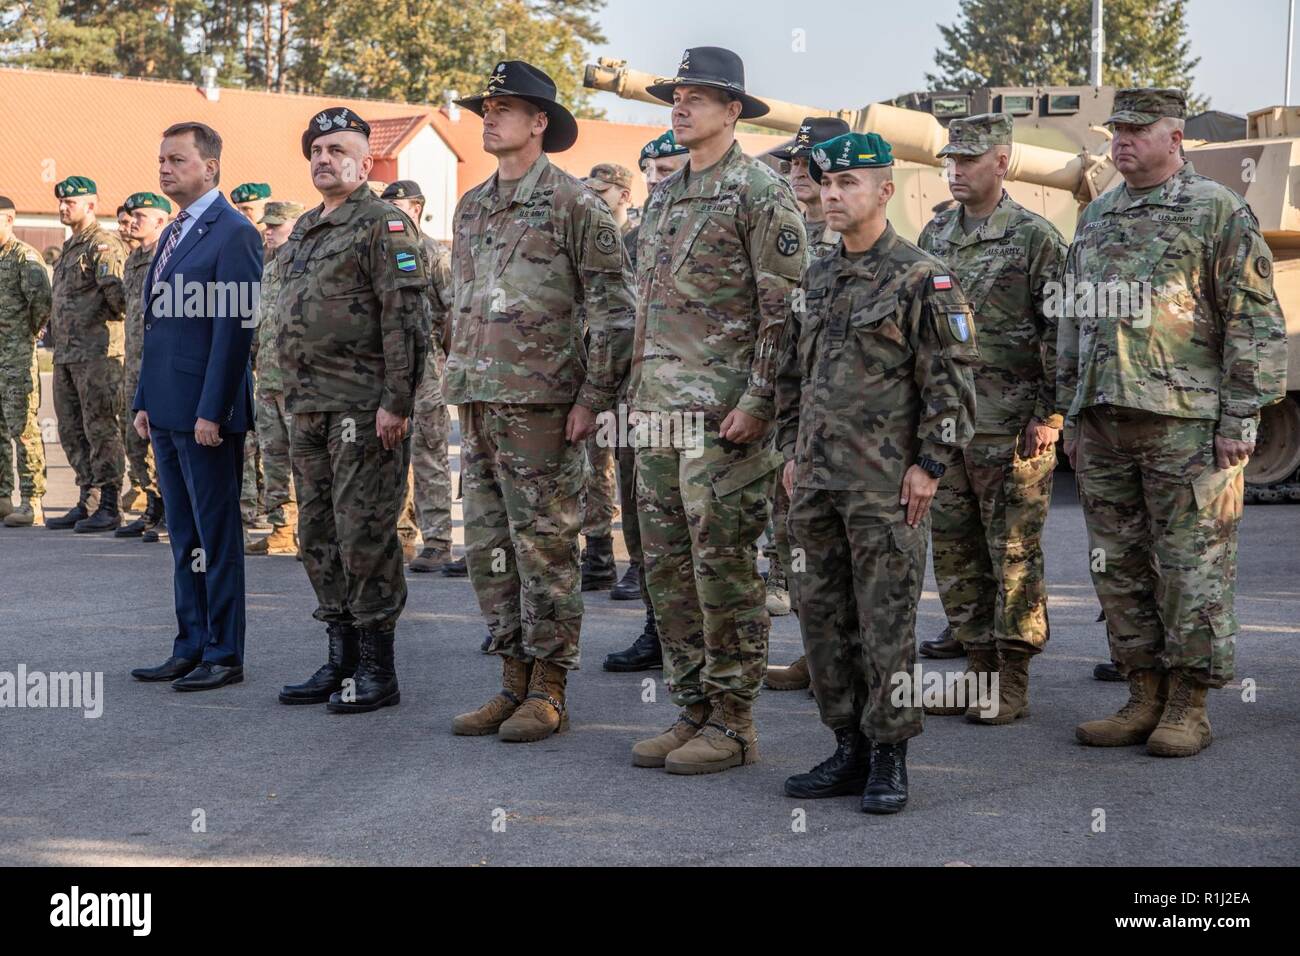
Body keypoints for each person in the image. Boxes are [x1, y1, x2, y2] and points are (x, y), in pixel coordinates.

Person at [1062, 89, 1287, 757]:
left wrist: (1241, 415)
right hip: (1102, 425)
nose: (1122, 140)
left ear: (1175, 136)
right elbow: (1074, 319)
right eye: (1117, 130)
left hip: (1185, 427)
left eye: (1137, 129)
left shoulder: (1216, 210)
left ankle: (1190, 704)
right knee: (1120, 569)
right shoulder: (1097, 216)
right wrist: (1068, 408)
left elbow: (1254, 319)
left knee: (1193, 571)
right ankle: (1142, 694)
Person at [778, 131, 978, 812]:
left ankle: (890, 754)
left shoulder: (923, 277)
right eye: (826, 184)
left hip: (885, 487)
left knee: (885, 623)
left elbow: (953, 386)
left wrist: (929, 465)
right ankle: (847, 748)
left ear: (884, 191)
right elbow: (792, 377)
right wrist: (789, 452)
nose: (833, 196)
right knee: (821, 618)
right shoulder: (817, 275)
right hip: (815, 484)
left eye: (849, 185)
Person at [629, 47, 805, 774]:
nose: (681, 106)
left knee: (724, 570)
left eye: (698, 97)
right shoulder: (668, 196)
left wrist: (760, 401)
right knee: (668, 571)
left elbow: (783, 312)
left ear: (733, 112)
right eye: (677, 96)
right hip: (658, 414)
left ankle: (734, 725)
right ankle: (692, 706)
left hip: (724, 419)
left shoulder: (760, 192)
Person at [446, 61, 634, 743]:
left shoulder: (575, 205)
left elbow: (615, 310)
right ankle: (511, 678)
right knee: (490, 548)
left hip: (546, 406)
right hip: (480, 401)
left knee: (545, 549)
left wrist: (594, 396)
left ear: (539, 123)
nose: (489, 118)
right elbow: (458, 303)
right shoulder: (471, 206)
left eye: (505, 107)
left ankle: (549, 689)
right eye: (486, 107)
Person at [274, 107, 429, 713]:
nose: (323, 158)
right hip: (308, 409)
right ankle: (338, 656)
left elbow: (406, 318)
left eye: (338, 149)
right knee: (315, 533)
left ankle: (375, 668)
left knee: (364, 535)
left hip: (365, 411)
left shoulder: (384, 225)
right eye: (316, 148)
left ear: (366, 163)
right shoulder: (307, 228)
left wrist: (396, 401)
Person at [916, 113, 1068, 723]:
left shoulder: (1035, 238)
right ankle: (978, 669)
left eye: (969, 160)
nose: (955, 170)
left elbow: (1062, 330)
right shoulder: (934, 235)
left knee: (1012, 553)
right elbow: (923, 332)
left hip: (1012, 427)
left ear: (1001, 163)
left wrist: (1049, 414)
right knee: (953, 551)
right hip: (949, 426)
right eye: (950, 159)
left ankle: (1013, 679)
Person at [129, 121, 263, 691]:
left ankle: (224, 651)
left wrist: (213, 411)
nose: (164, 168)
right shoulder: (173, 232)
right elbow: (158, 327)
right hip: (166, 406)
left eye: (177, 159)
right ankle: (189, 643)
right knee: (183, 534)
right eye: (161, 158)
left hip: (207, 414)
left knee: (216, 534)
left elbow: (235, 331)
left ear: (209, 167)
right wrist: (143, 401)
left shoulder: (233, 232)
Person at [763, 114, 851, 688]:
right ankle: (815, 649)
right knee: (795, 537)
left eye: (809, 162)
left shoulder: (851, 236)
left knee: (844, 545)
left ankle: (849, 658)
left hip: (845, 419)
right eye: (792, 162)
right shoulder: (781, 228)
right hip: (787, 411)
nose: (798, 171)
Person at [602, 131, 690, 674]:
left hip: (694, 406)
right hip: (635, 400)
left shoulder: (707, 229)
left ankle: (696, 644)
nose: (657, 183)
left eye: (668, 172)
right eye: (650, 174)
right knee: (642, 525)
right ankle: (657, 629)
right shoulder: (635, 240)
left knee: (697, 532)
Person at [380, 180, 456, 574]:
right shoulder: (380, 252)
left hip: (427, 369)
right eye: (386, 205)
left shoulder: (435, 255)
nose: (392, 211)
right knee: (391, 452)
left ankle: (439, 540)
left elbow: (454, 313)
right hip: (388, 367)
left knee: (429, 453)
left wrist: (444, 362)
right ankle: (400, 535)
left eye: (399, 205)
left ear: (417, 208)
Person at [46, 176, 128, 533]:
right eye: (61, 202)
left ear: (91, 205)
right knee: (72, 429)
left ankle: (109, 502)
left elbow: (119, 300)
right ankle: (88, 496)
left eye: (71, 202)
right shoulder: (70, 247)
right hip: (66, 354)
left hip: (98, 354)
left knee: (101, 429)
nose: (64, 207)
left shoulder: (103, 245)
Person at [577, 162, 636, 593]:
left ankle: (639, 559)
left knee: (631, 466)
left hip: (629, 369)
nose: (596, 198)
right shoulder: (582, 238)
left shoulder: (638, 239)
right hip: (589, 363)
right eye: (591, 191)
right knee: (592, 464)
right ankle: (596, 553)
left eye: (604, 191)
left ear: (624, 195)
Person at [244, 200, 305, 556]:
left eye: (276, 225)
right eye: (267, 225)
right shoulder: (269, 267)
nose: (268, 230)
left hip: (298, 380)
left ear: (296, 225)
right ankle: (282, 528)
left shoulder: (308, 264)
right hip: (268, 377)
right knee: (274, 457)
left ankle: (309, 534)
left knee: (304, 459)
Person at [115, 191, 172, 539]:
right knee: (133, 439)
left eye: (142, 215)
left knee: (162, 439)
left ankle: (169, 508)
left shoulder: (170, 258)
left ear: (161, 221)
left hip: (159, 363)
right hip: (133, 362)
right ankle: (151, 504)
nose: (133, 220)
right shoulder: (133, 260)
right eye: (132, 214)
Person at [0, 195, 52, 528]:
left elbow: (42, 305)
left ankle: (32, 502)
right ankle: (4, 497)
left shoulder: (24, 258)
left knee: (24, 430)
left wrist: (25, 337)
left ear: (9, 219)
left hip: (17, 359)